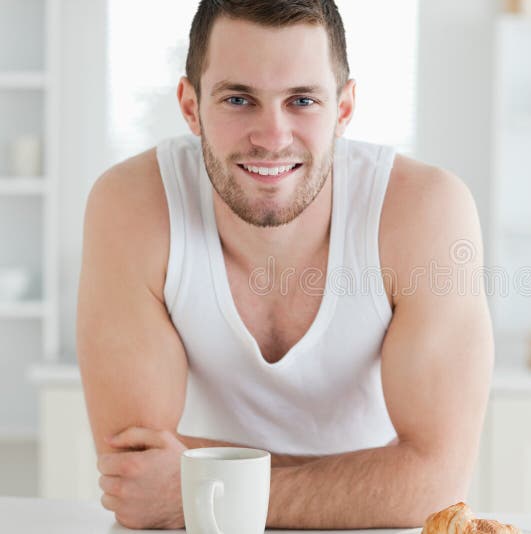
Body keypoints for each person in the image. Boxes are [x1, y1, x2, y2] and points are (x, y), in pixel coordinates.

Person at [76, 0, 493, 530]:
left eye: (301, 100)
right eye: (237, 99)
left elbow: (436, 483)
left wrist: (194, 483)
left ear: (343, 109)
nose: (272, 137)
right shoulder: (132, 205)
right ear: (190, 106)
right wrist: (381, 477)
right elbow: (136, 471)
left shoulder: (425, 210)